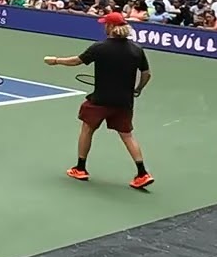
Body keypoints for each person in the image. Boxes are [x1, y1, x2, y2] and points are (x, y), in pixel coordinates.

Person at [43, 12, 154, 189]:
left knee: (87, 129)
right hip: (124, 102)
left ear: (110, 27)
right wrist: (138, 89)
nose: (103, 26)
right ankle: (142, 173)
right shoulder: (136, 50)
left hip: (100, 100)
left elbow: (76, 61)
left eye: (105, 24)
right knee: (127, 135)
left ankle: (80, 168)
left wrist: (56, 61)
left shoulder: (99, 47)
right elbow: (147, 75)